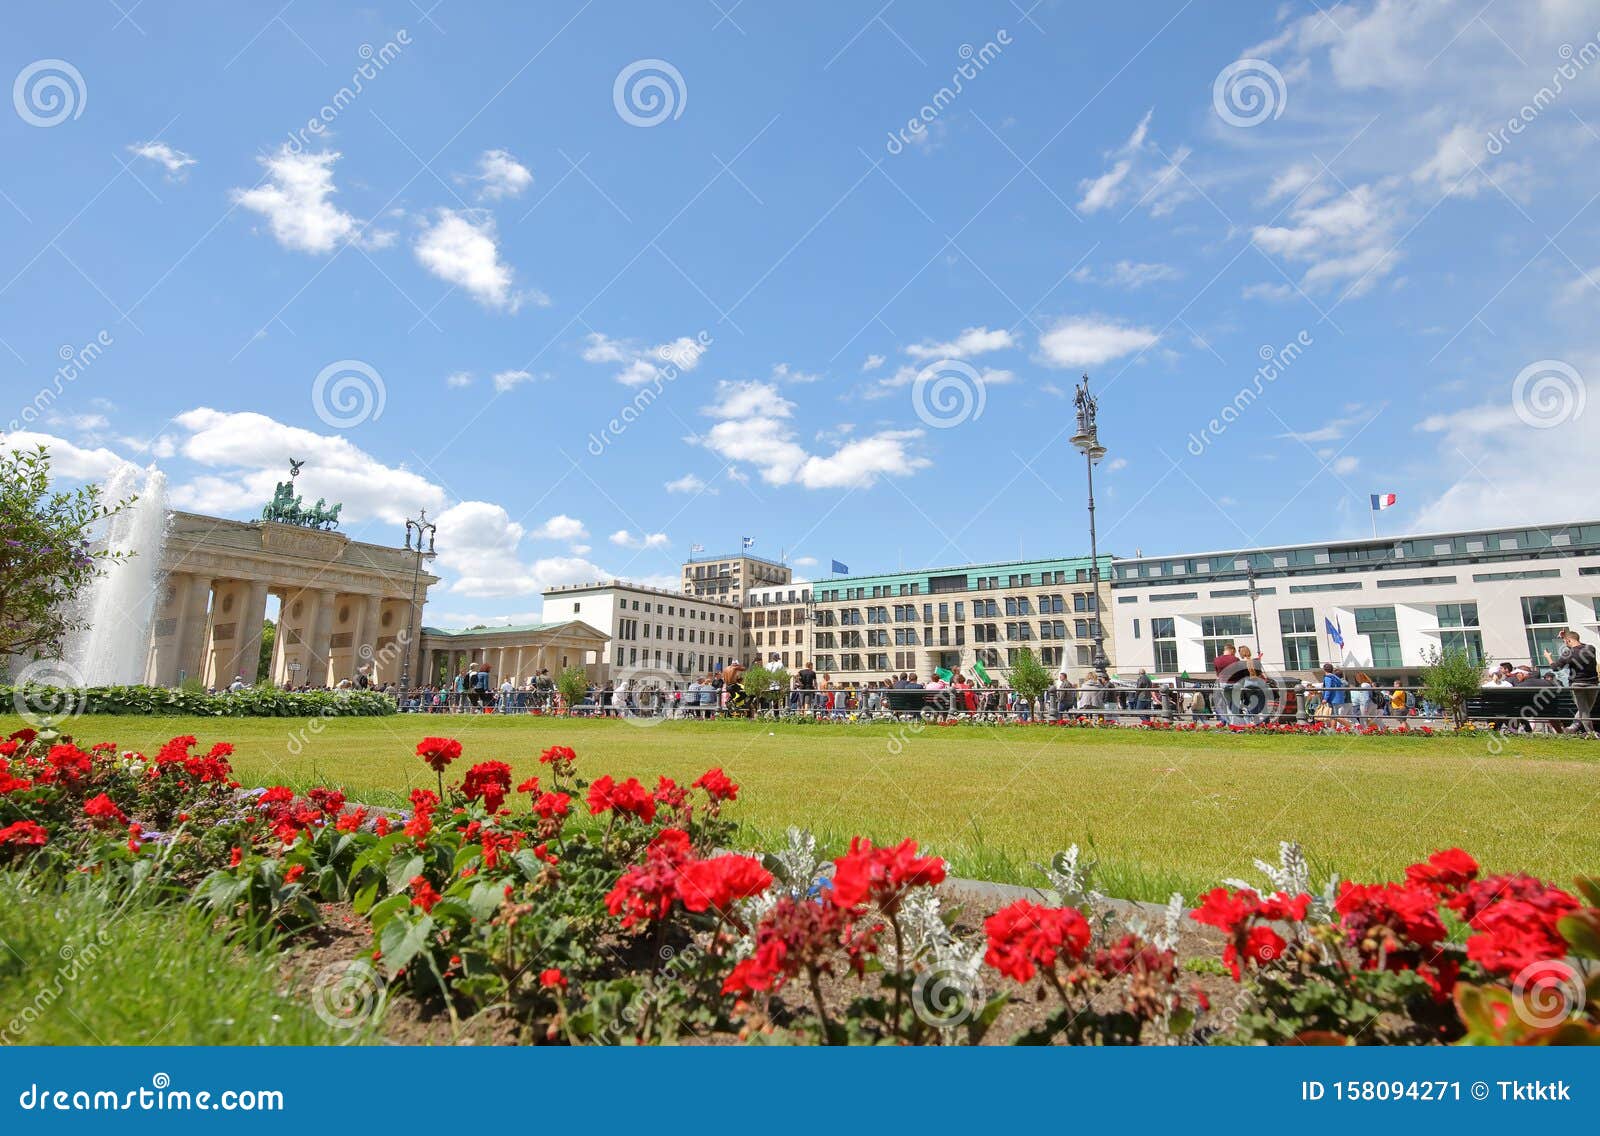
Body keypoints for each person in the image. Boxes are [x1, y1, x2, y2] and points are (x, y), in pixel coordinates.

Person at [1546, 627, 1598, 735]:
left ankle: (1591, 733)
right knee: (1585, 709)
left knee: (1584, 710)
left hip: (1578, 684)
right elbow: (1578, 643)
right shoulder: (1591, 648)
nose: (1565, 644)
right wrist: (1566, 637)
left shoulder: (1568, 654)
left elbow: (1556, 668)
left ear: (1569, 641)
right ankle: (1571, 729)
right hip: (1593, 684)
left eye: (1565, 642)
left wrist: (1548, 657)